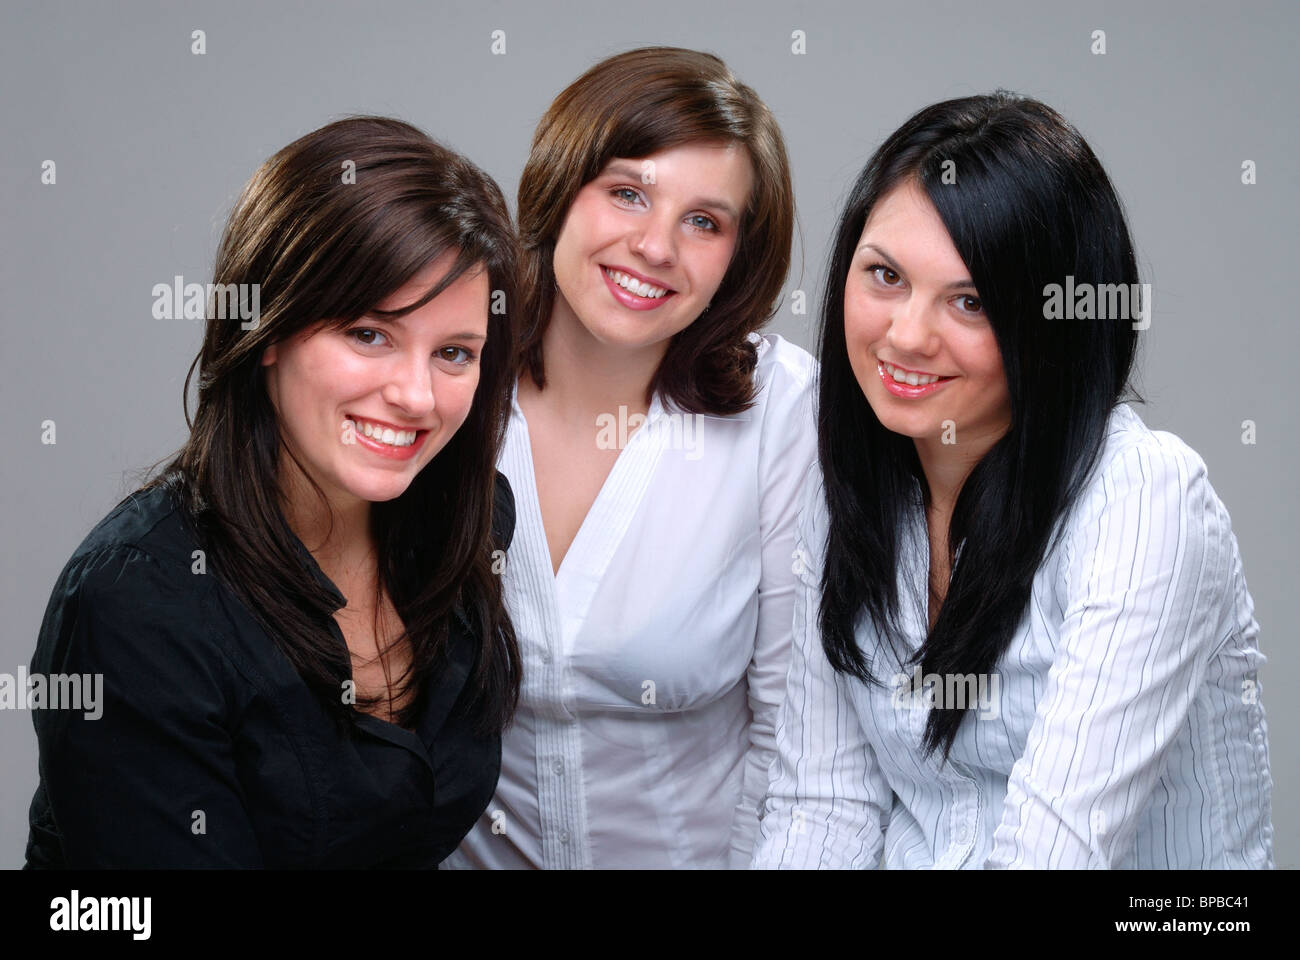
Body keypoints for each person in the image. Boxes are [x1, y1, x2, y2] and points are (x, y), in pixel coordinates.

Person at [753, 92, 1273, 869]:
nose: (906, 336)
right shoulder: (851, 488)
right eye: (885, 276)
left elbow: (1052, 853)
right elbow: (822, 811)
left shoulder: (1142, 498)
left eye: (969, 301)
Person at [25, 116, 522, 868]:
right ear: (267, 329)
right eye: (369, 334)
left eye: (455, 352)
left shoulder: (471, 522)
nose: (418, 396)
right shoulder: (138, 605)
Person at [444, 47, 814, 869]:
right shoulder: (446, 372)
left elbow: (797, 747)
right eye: (627, 193)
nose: (655, 246)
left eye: (704, 221)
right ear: (559, 189)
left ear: (738, 258)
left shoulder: (782, 412)